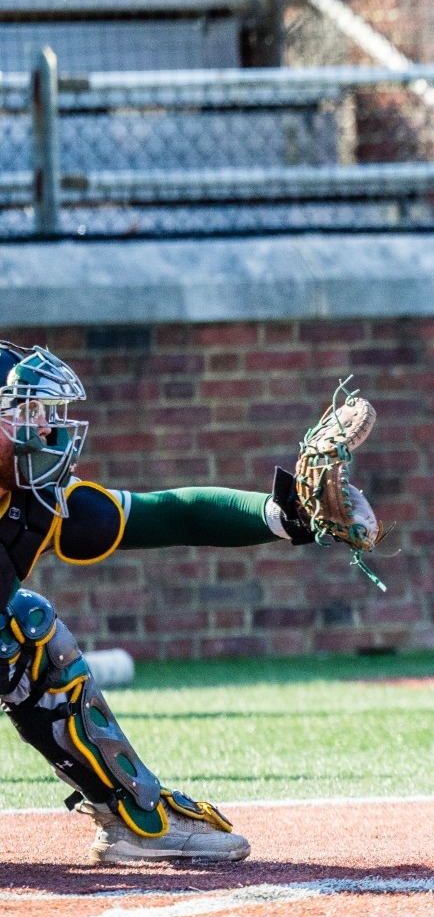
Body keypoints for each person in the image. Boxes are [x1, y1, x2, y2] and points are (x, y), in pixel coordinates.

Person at [0, 344, 380, 863]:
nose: (45, 429)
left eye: (43, 412)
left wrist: (286, 514)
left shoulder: (33, 502)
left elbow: (172, 514)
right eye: (25, 413)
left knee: (26, 629)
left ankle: (135, 818)